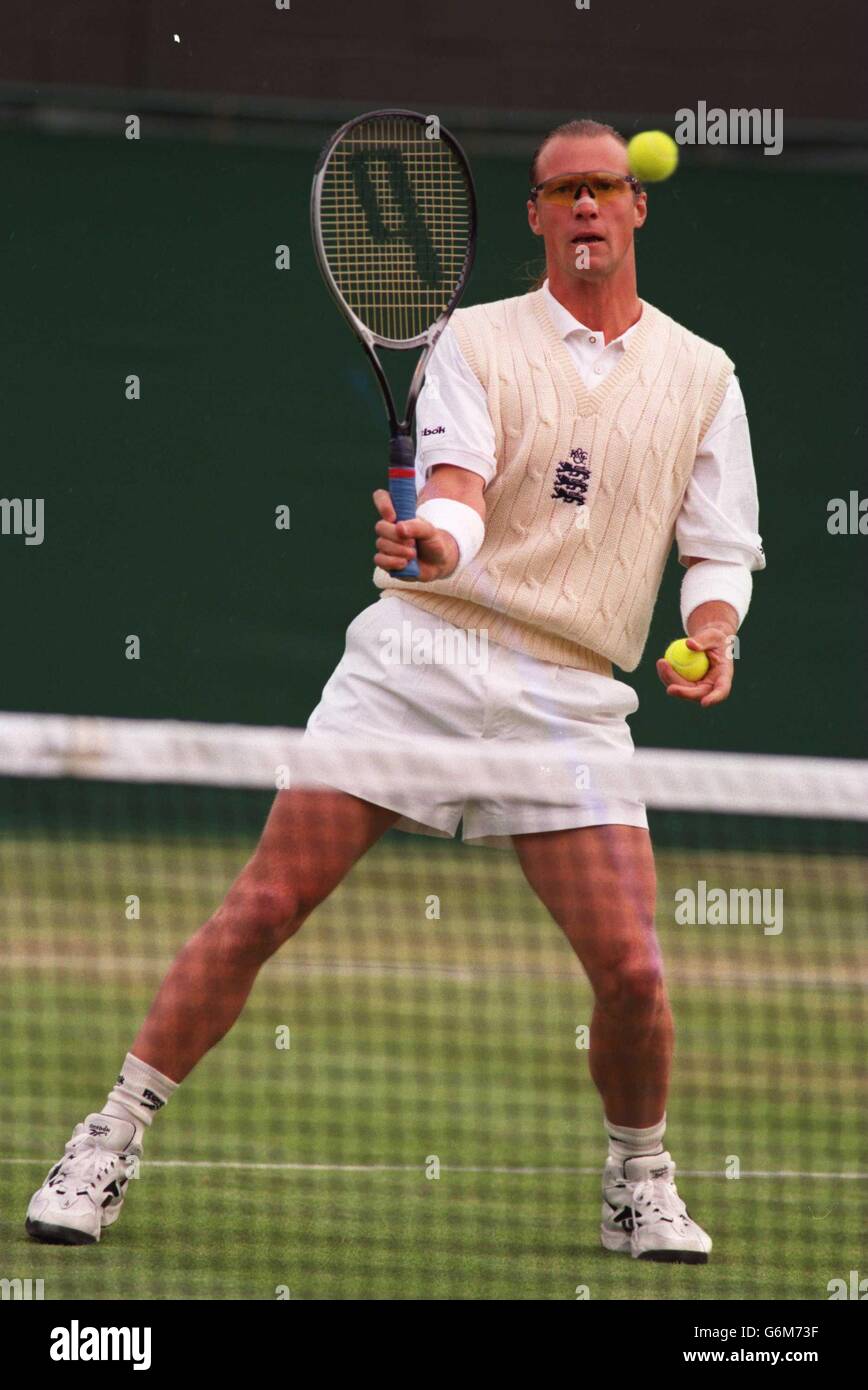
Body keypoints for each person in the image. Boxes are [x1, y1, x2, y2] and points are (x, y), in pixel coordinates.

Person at [27, 118, 764, 1263]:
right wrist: (433, 542)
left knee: (629, 967)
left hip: (569, 696)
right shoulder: (469, 340)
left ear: (635, 205)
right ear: (532, 214)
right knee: (264, 906)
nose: (581, 207)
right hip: (419, 661)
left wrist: (711, 628)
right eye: (559, 189)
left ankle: (639, 1183)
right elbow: (460, 492)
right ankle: (107, 1138)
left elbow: (719, 547)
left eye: (601, 188)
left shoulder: (704, 375)